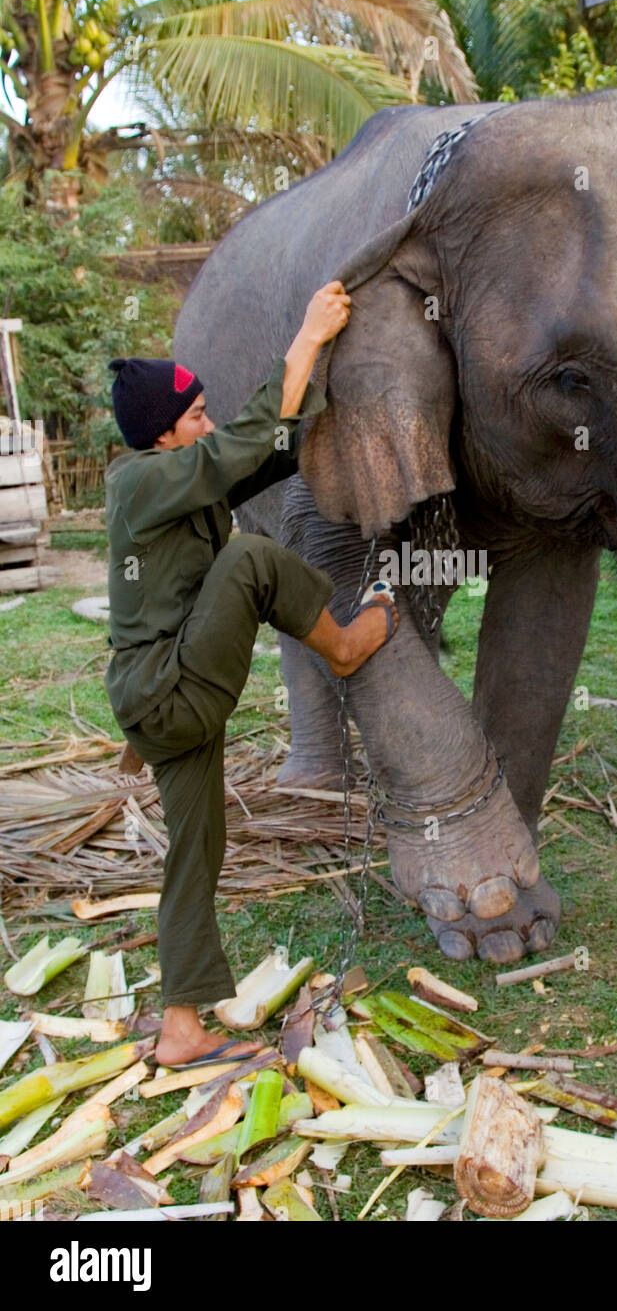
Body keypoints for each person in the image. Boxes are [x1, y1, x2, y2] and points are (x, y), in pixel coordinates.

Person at [104, 281, 397, 1069]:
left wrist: (322, 377)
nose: (207, 420)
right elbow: (238, 443)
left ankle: (180, 1025)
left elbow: (262, 450)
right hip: (168, 690)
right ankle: (342, 644)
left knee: (195, 849)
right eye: (195, 414)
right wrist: (305, 333)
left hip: (171, 699)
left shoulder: (183, 483)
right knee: (250, 557)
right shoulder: (137, 483)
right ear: (165, 436)